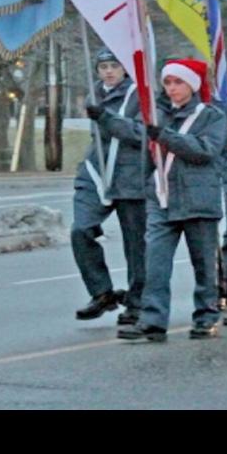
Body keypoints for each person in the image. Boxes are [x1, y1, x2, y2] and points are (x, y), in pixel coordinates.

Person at [120, 60, 227, 343]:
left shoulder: (211, 116)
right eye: (167, 82)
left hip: (198, 198)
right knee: (155, 261)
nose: (171, 88)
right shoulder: (158, 114)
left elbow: (205, 150)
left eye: (177, 82)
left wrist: (165, 135)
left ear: (191, 85)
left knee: (204, 265)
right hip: (162, 197)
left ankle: (206, 317)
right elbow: (142, 146)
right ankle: (152, 320)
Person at [70, 50, 147, 324]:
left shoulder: (141, 94)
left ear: (125, 69)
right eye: (103, 66)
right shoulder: (95, 93)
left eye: (114, 65)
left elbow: (142, 134)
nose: (109, 71)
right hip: (96, 172)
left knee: (137, 245)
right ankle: (101, 293)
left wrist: (105, 117)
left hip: (131, 176)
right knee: (81, 230)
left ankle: (138, 303)